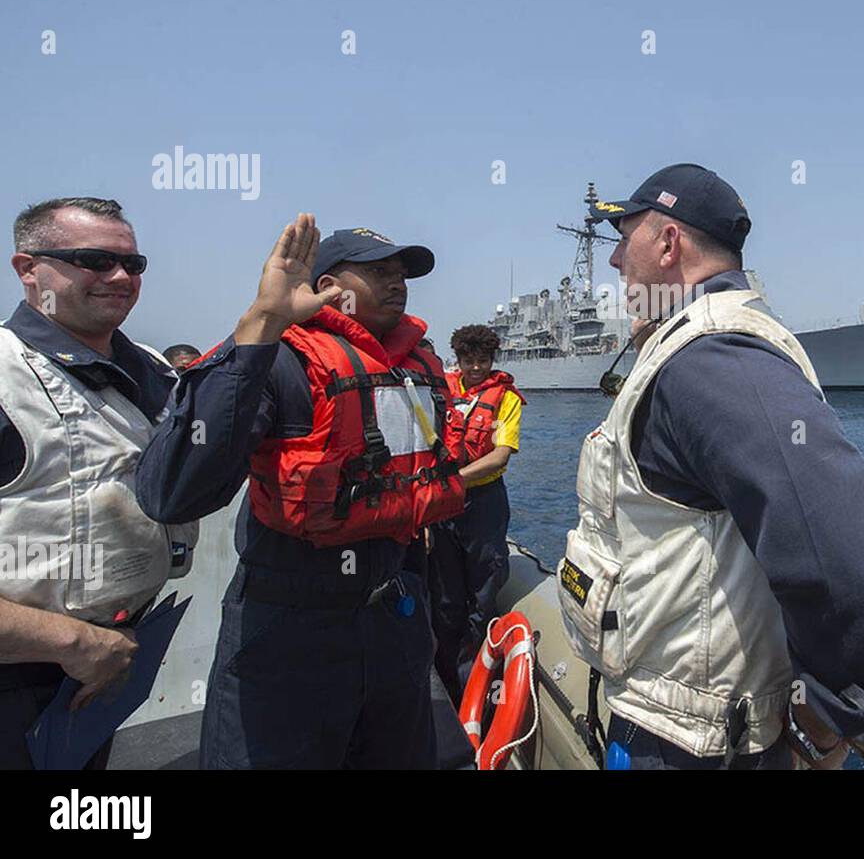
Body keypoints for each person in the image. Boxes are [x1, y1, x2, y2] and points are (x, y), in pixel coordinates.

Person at [558, 164, 864, 770]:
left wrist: (826, 719)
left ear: (666, 242)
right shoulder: (695, 344)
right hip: (668, 717)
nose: (612, 262)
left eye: (623, 239)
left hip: (693, 747)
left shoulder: (713, 361)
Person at [135, 217, 473, 769]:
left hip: (396, 618)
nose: (397, 283)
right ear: (325, 288)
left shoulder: (415, 371)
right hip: (289, 626)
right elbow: (171, 494)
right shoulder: (281, 361)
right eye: (376, 271)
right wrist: (263, 322)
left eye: (401, 273)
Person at [0, 197, 198, 770]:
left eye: (133, 265)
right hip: (23, 672)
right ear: (28, 269)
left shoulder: (156, 372)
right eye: (93, 260)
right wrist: (72, 644)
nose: (120, 277)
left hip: (108, 665)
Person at [429, 324, 525, 699]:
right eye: (468, 361)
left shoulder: (506, 399)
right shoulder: (442, 392)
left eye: (482, 360)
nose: (475, 368)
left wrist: (455, 481)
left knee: (484, 589)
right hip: (443, 503)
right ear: (458, 360)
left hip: (483, 502)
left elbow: (501, 454)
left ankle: (474, 679)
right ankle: (448, 680)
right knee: (446, 596)